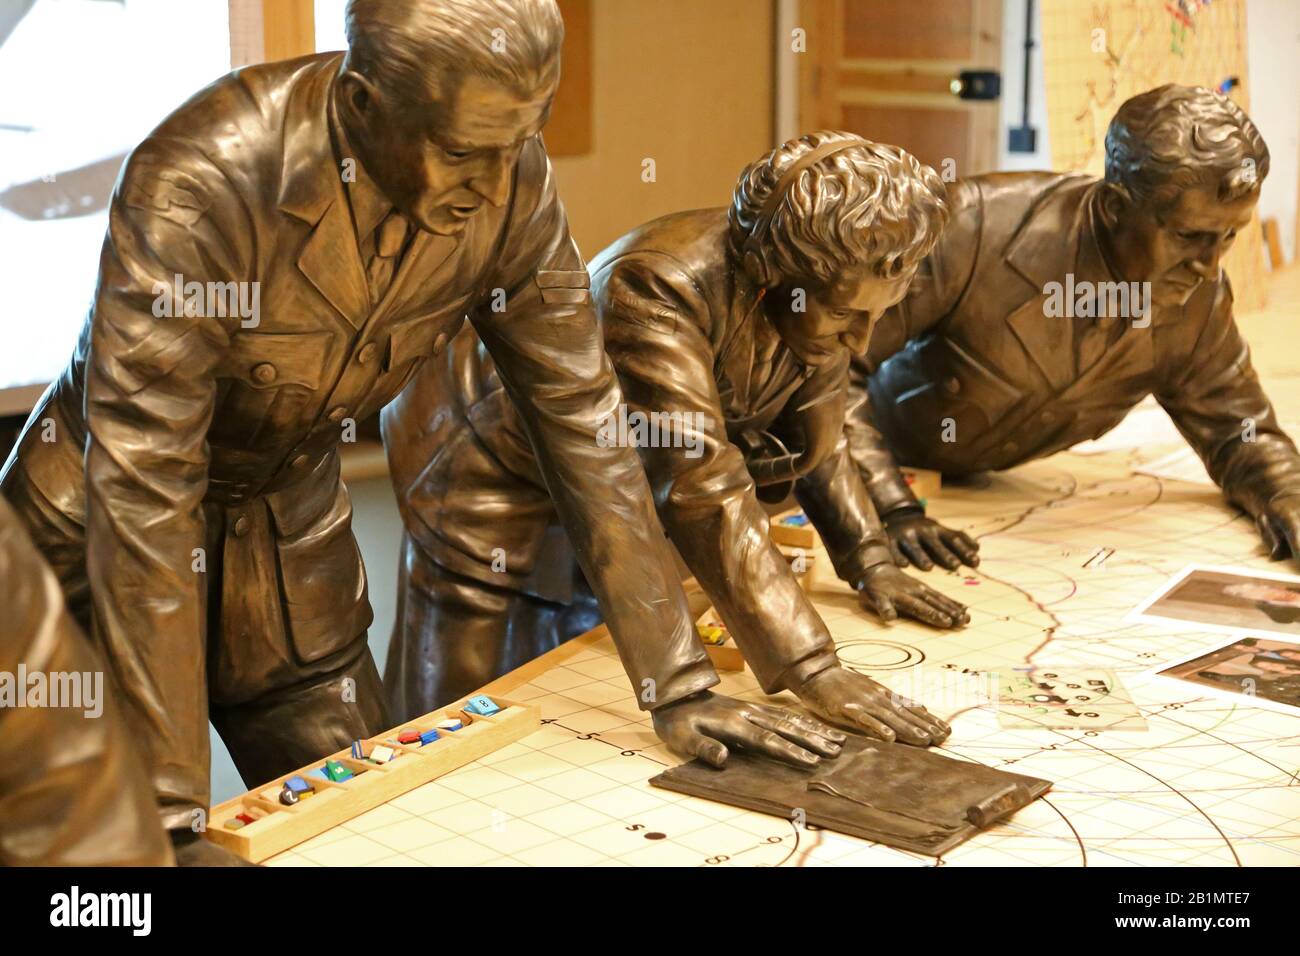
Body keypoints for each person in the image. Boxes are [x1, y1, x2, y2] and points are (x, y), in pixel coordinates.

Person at [0, 0, 844, 863]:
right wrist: (172, 815)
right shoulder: (205, 178)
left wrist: (677, 684)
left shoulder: (506, 177)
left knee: (375, 826)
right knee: (99, 864)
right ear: (362, 103)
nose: (491, 185)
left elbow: (582, 417)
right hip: (95, 551)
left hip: (285, 544)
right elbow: (146, 490)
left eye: (518, 141)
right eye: (460, 152)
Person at [383, 132, 963, 742]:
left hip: (614, 483)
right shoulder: (655, 286)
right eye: (847, 316)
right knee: (456, 708)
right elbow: (700, 483)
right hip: (483, 458)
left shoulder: (826, 292)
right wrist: (813, 668)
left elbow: (823, 438)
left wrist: (869, 558)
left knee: (581, 667)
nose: (863, 340)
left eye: (879, 313)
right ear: (776, 276)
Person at [844, 85, 1300, 572]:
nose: (1209, 266)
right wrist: (891, 502)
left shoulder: (1196, 297)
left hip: (989, 508)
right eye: (1189, 235)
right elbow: (831, 367)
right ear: (1113, 209)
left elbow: (1239, 430)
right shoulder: (972, 227)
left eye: (1229, 236)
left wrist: (1287, 495)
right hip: (850, 472)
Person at [0, 495, 173, 866]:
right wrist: (180, 813)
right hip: (77, 521)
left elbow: (90, 833)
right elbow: (151, 487)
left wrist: (178, 822)